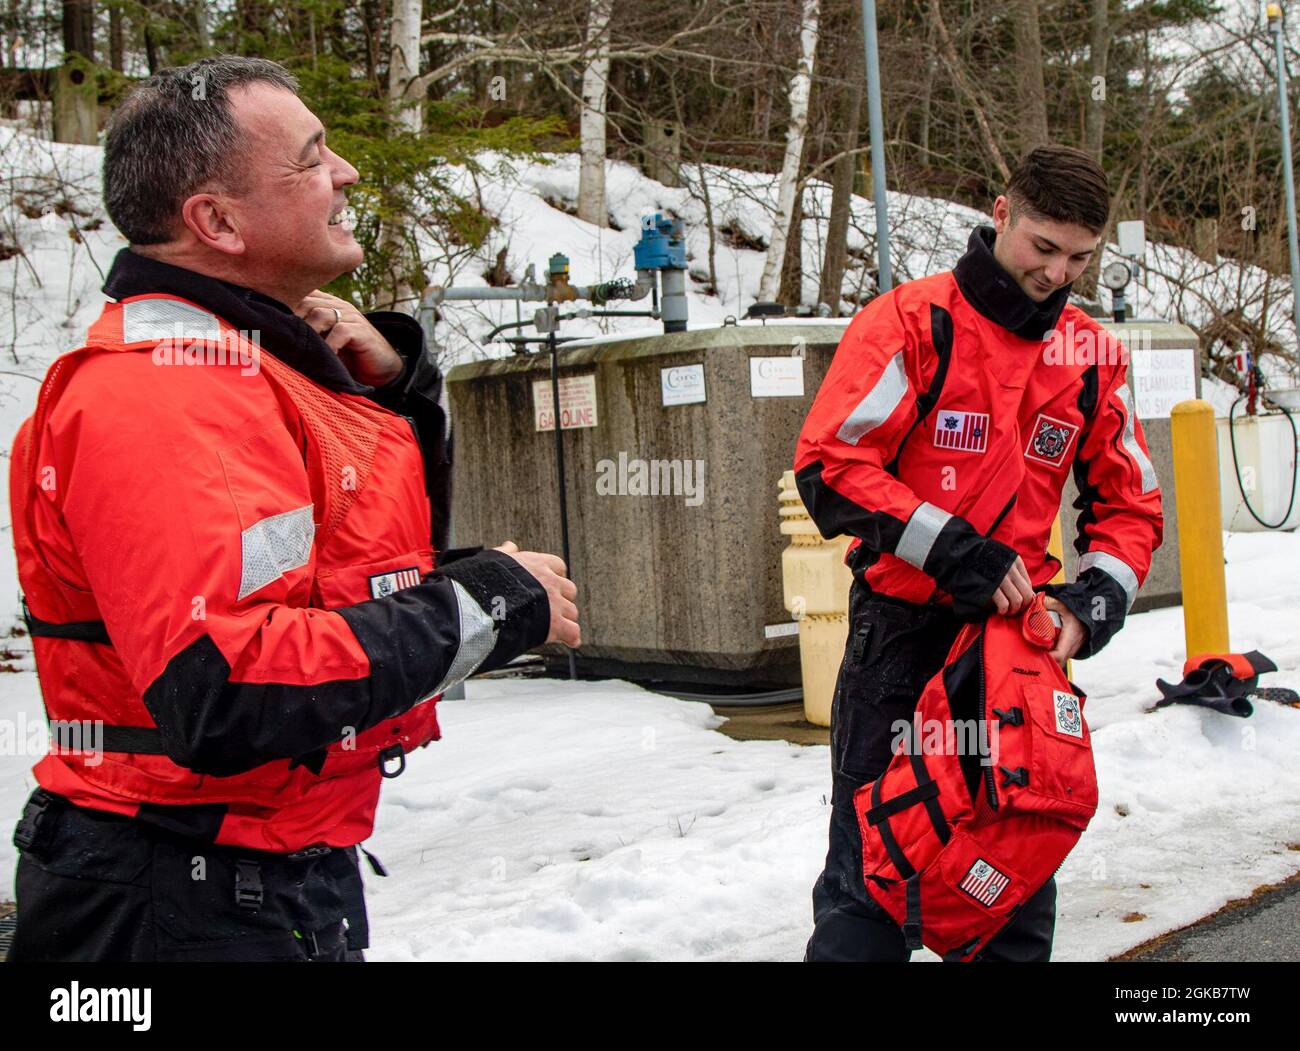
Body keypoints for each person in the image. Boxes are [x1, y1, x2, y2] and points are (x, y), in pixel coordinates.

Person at [7, 55, 580, 962]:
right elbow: (226, 690)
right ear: (217, 221)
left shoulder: (248, 367)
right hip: (171, 899)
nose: (346, 173)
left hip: (263, 870)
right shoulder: (162, 392)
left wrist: (399, 393)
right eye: (311, 159)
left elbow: (349, 569)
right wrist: (487, 602)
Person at [794, 145, 1164, 962]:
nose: (1056, 272)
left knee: (1015, 869)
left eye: (1078, 257)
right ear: (1002, 213)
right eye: (1042, 246)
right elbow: (829, 467)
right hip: (900, 636)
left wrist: (1089, 604)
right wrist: (953, 549)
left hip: (1017, 652)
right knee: (873, 877)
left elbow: (1131, 505)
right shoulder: (911, 322)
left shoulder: (1093, 356)